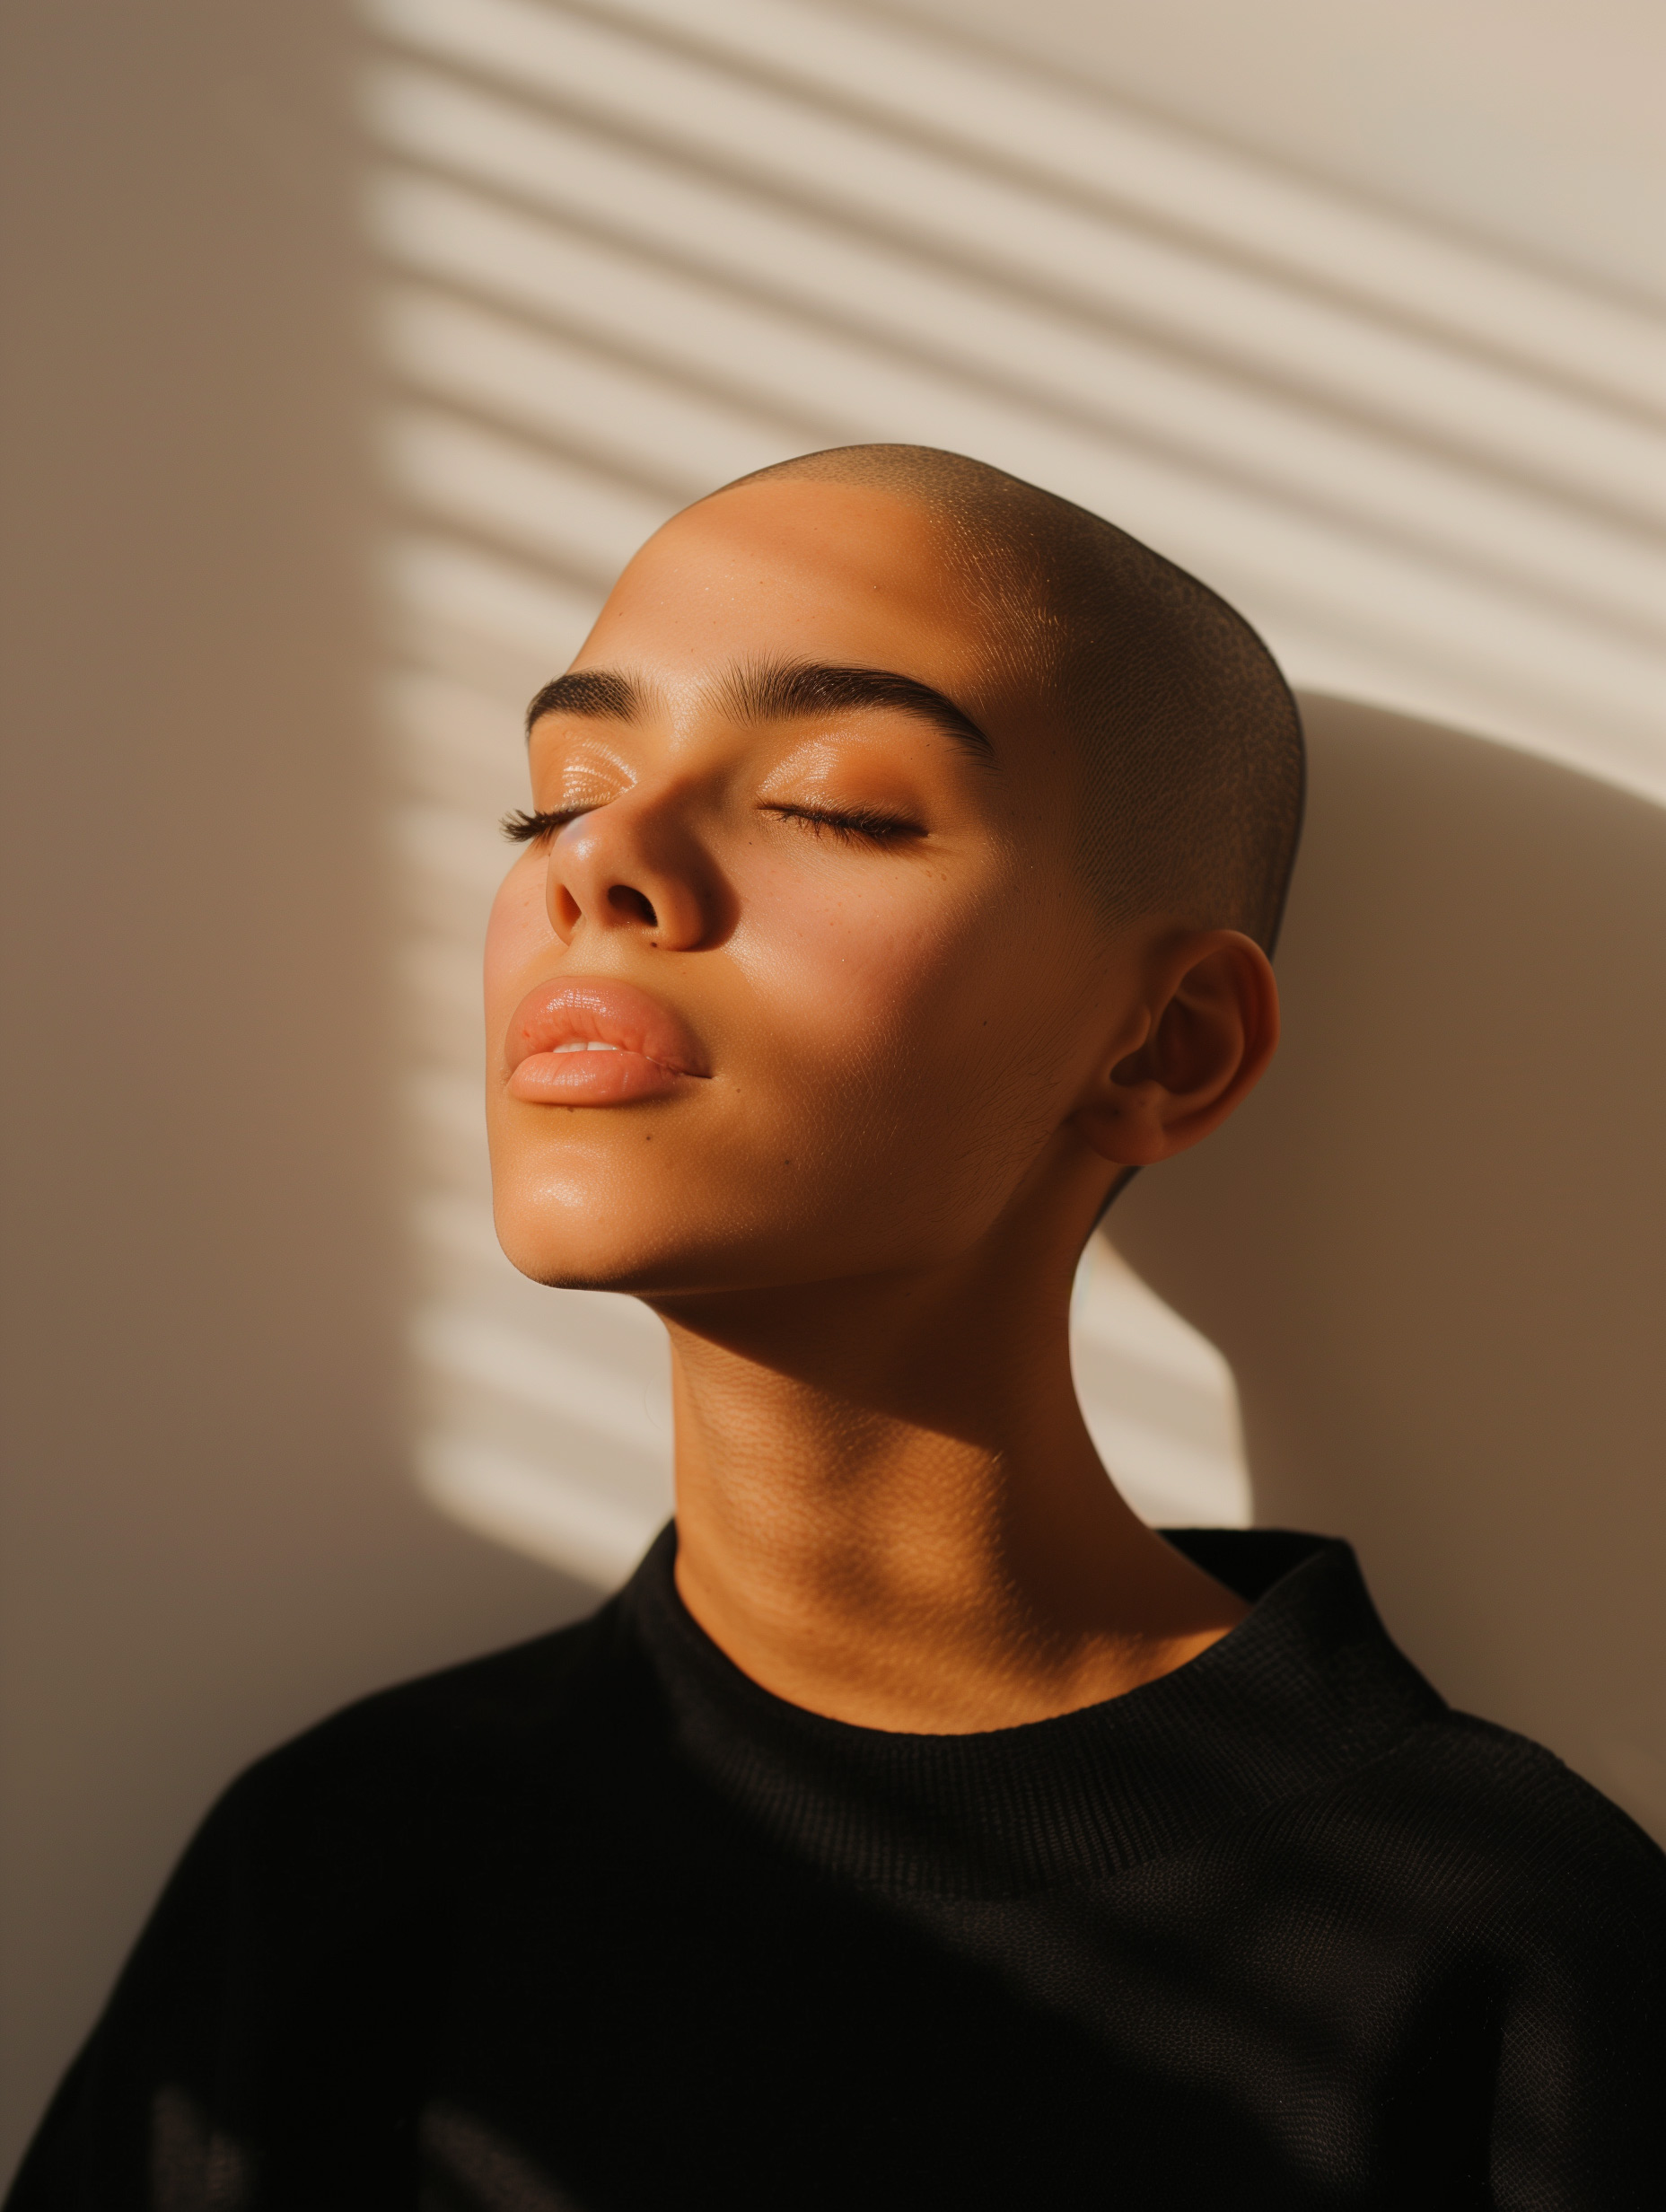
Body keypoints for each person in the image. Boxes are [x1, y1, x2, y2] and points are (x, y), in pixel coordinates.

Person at [10, 447, 1663, 2210]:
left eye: (835, 803)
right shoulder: (344, 1859)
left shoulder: (1505, 1943)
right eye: (555, 796)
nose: (605, 861)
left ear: (1166, 1042)